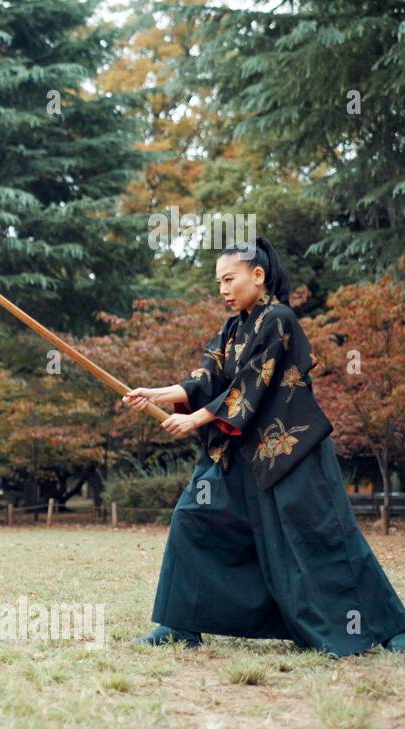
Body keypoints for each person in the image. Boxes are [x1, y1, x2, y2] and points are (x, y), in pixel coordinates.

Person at [123, 236, 405, 656]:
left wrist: (197, 418)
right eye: (218, 282)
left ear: (258, 275)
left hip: (291, 453)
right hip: (239, 453)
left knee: (323, 538)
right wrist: (157, 394)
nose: (223, 290)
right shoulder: (232, 328)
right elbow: (207, 379)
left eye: (229, 279)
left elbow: (252, 381)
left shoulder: (279, 319)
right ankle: (181, 624)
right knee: (194, 518)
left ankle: (389, 628)